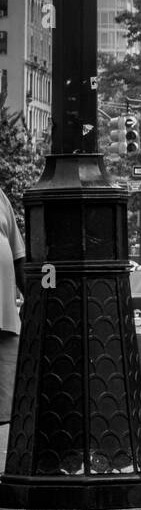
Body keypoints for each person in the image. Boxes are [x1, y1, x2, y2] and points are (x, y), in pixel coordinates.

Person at [0, 186, 25, 452]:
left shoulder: (0, 196)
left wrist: (35, 299)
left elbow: (19, 257)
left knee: (8, 405)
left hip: (5, 322)